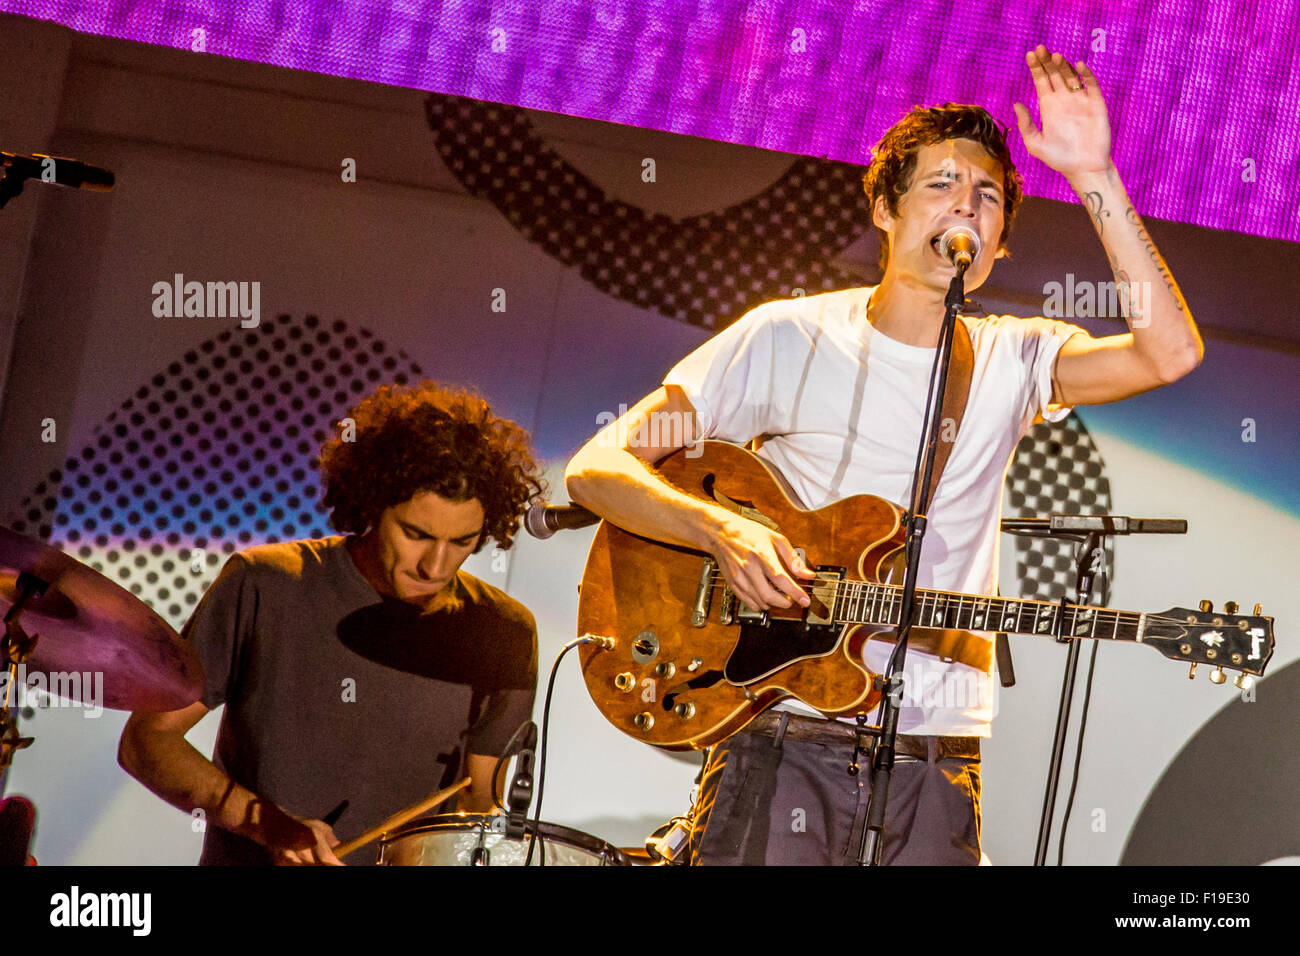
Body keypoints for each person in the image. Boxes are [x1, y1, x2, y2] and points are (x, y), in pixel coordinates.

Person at [563, 46, 1203, 865]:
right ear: (886, 212)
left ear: (1001, 238)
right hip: (783, 733)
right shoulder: (786, 335)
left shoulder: (1015, 357)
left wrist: (1095, 176)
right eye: (941, 185)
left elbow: (1168, 354)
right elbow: (600, 467)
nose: (966, 206)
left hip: (937, 751)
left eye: (988, 197)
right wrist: (724, 532)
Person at [119, 382, 544, 865]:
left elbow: (476, 806)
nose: (436, 566)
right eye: (415, 534)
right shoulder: (266, 584)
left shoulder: (504, 631)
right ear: (371, 503)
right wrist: (264, 823)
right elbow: (146, 741)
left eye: (463, 541)